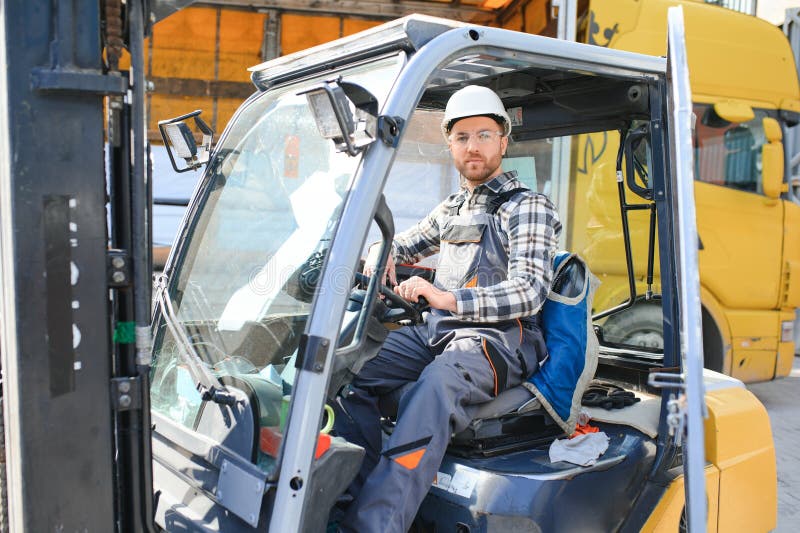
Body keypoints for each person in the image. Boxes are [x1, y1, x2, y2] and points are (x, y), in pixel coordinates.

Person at [333, 85, 562, 532]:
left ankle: (376, 524)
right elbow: (403, 242)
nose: (472, 146)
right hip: (440, 332)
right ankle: (353, 496)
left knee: (433, 388)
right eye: (461, 137)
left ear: (503, 141)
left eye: (483, 135)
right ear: (450, 144)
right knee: (346, 370)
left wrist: (447, 298)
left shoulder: (526, 206)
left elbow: (530, 290)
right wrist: (377, 257)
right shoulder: (454, 207)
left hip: (499, 339)